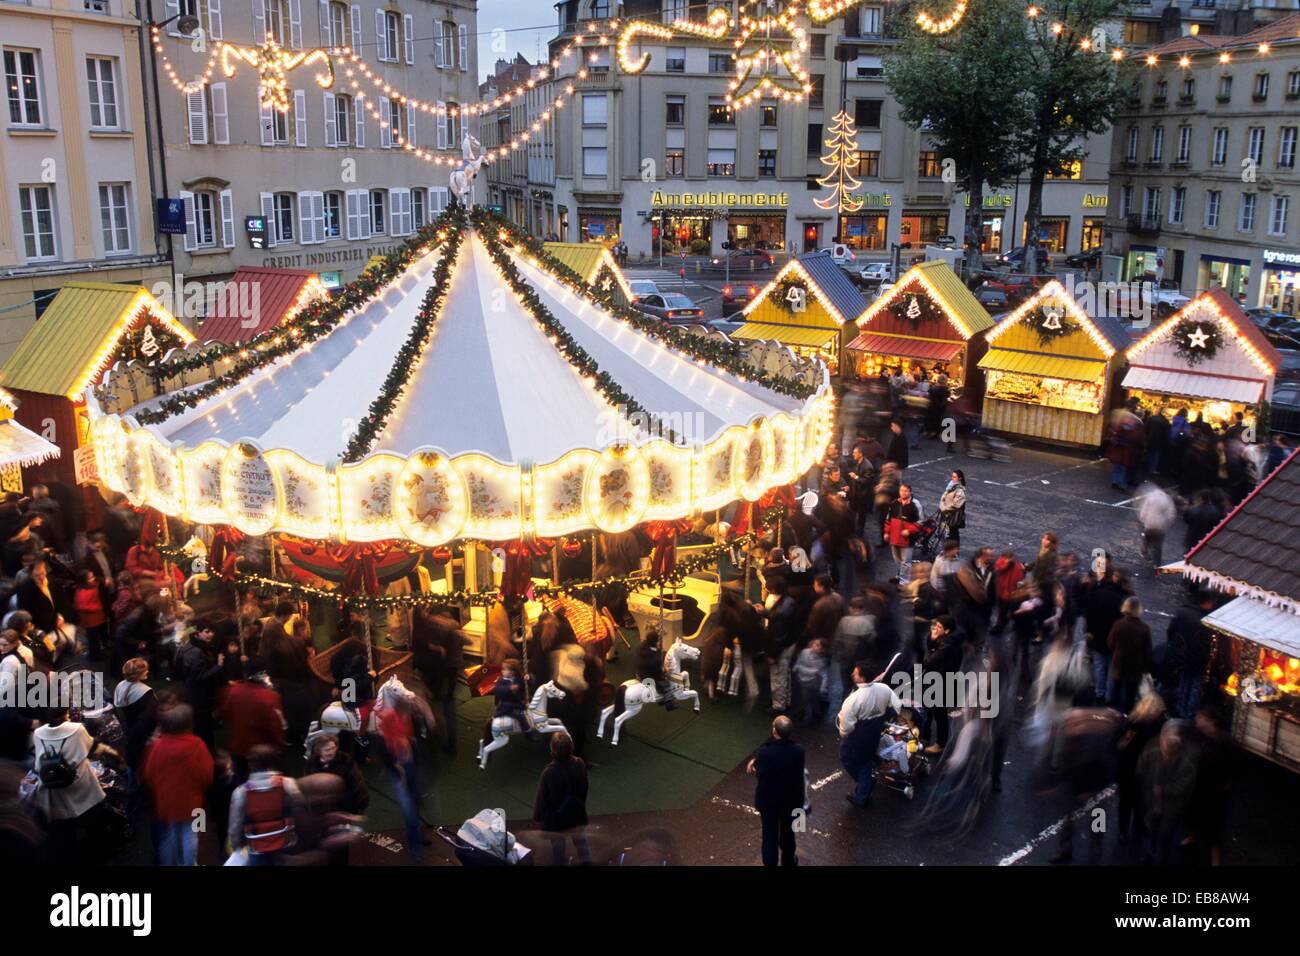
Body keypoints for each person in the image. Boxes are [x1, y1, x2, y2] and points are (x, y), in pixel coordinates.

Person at [141, 704, 214, 865]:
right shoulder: (197, 744)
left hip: (166, 801)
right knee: (193, 833)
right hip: (194, 802)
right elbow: (207, 774)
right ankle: (190, 862)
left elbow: (149, 773)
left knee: (171, 833)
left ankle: (173, 862)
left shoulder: (157, 746)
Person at [836, 663, 902, 807]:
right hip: (875, 731)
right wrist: (887, 717)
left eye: (855, 673)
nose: (852, 675)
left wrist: (844, 734)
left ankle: (863, 789)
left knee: (847, 758)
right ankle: (864, 788)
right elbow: (896, 705)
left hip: (858, 735)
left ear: (862, 677)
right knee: (865, 761)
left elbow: (846, 726)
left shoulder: (854, 698)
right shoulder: (883, 688)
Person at [227, 744, 304, 865]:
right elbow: (299, 810)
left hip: (256, 843)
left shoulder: (241, 792)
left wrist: (236, 845)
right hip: (285, 840)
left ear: (250, 764)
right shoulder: (288, 784)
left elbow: (236, 823)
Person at [1137, 721, 1198, 865]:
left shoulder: (1188, 763)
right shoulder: (1154, 748)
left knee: (1164, 837)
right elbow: (1142, 768)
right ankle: (1151, 853)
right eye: (1163, 748)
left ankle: (1159, 859)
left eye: (1169, 752)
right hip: (1152, 803)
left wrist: (1162, 790)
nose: (1164, 753)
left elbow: (1184, 789)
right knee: (1152, 830)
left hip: (1171, 809)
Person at [747, 715, 805, 865]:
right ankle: (788, 861)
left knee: (769, 835)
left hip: (769, 802)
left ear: (774, 731)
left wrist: (753, 763)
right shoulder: (799, 751)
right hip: (791, 801)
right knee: (788, 833)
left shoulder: (764, 753)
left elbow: (759, 771)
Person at [533, 731, 591, 865]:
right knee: (582, 844)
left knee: (558, 848)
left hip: (556, 819)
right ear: (571, 747)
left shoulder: (549, 772)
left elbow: (542, 797)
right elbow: (584, 787)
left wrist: (537, 817)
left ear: (553, 750)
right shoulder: (579, 763)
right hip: (576, 814)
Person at [221, 671, 286, 782]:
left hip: (239, 746)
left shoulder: (233, 691)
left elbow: (226, 713)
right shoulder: (270, 697)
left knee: (240, 777)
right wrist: (279, 744)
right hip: (263, 750)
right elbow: (275, 725)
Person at [755, 576, 798, 715]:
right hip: (789, 644)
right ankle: (787, 700)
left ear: (773, 590)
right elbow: (779, 618)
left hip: (781, 648)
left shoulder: (781, 609)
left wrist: (772, 654)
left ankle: (778, 706)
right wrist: (766, 613)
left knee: (777, 677)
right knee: (785, 674)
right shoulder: (789, 601)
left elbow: (778, 635)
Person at [922, 616, 964, 753]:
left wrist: (932, 648)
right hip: (938, 679)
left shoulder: (948, 646)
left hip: (942, 682)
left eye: (939, 627)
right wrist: (932, 640)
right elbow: (932, 649)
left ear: (947, 631)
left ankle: (940, 744)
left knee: (939, 714)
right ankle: (926, 736)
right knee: (931, 710)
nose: (935, 629)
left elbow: (929, 661)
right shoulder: (946, 640)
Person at [1108, 596, 1152, 713]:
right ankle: (1127, 718)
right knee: (1130, 697)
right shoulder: (1144, 628)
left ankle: (1114, 716)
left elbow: (1110, 644)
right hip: (1135, 667)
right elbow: (1147, 651)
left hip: (1119, 664)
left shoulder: (1118, 624)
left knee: (1116, 693)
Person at [884, 483, 922, 584]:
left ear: (910, 492)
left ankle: (904, 582)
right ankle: (900, 575)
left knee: (906, 561)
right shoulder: (894, 503)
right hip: (895, 537)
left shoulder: (915, 505)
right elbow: (888, 520)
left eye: (905, 491)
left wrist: (909, 530)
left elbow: (920, 522)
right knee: (897, 559)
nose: (903, 493)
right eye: (901, 490)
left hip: (908, 539)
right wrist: (887, 532)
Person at [1137, 482, 1176, 567]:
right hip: (1160, 525)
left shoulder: (1151, 496)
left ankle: (1144, 551)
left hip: (1149, 523)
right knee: (1158, 545)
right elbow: (1171, 514)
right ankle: (1156, 563)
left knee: (1147, 538)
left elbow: (1144, 509)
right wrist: (1168, 523)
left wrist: (1142, 519)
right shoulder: (1167, 499)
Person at [72, 568, 108, 661]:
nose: (93, 578)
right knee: (93, 640)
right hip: (91, 621)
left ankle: (100, 651)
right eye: (90, 578)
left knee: (99, 636)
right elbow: (81, 606)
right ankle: (95, 656)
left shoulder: (92, 585)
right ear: (84, 580)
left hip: (99, 617)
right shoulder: (82, 592)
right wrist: (98, 607)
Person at [793, 638, 828, 724]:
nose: (814, 646)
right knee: (806, 699)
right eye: (814, 644)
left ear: (822, 649)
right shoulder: (804, 652)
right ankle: (808, 716)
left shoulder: (823, 660)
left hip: (814, 683)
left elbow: (824, 674)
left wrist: (823, 687)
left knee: (813, 699)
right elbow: (799, 662)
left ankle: (814, 714)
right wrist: (796, 668)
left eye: (818, 645)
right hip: (803, 681)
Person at [938, 470, 967, 543]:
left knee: (953, 534)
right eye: (952, 476)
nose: (952, 478)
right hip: (946, 515)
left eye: (954, 477)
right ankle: (946, 549)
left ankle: (954, 551)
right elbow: (943, 497)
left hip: (953, 518)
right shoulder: (950, 486)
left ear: (959, 478)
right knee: (945, 533)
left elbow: (955, 505)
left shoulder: (960, 491)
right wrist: (942, 505)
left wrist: (943, 508)